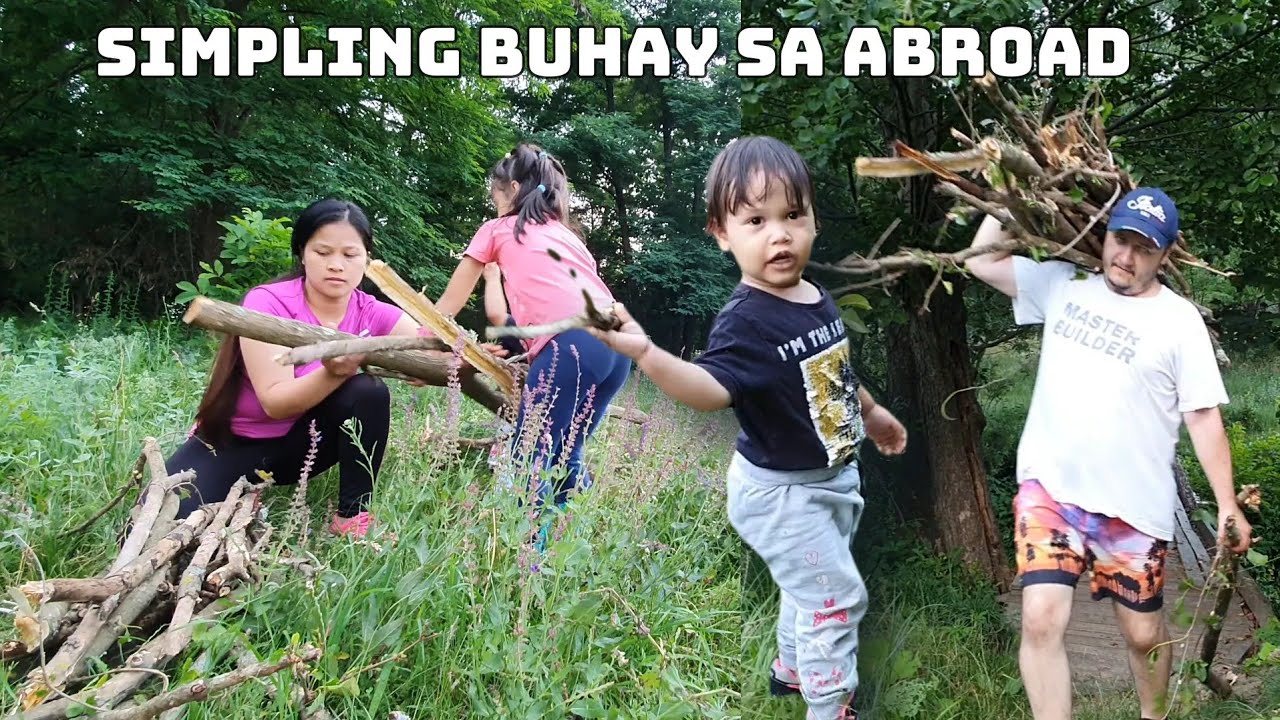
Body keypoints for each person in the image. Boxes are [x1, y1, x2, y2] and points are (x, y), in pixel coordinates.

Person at [589, 136, 908, 720]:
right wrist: (646, 354)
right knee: (836, 599)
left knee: (810, 584)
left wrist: (871, 411)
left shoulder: (815, 297)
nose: (779, 235)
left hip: (831, 479)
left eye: (793, 215)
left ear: (813, 219)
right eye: (756, 221)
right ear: (722, 232)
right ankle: (829, 705)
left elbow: (834, 370)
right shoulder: (745, 320)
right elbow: (709, 390)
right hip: (781, 495)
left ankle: (792, 668)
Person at [963, 187, 1254, 720]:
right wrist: (1005, 193)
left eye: (1144, 248)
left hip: (1133, 505)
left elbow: (1202, 416)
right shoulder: (1064, 284)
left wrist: (1227, 504)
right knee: (1040, 618)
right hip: (1050, 489)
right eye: (1121, 240)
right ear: (1105, 233)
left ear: (1165, 254)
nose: (1127, 256)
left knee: (1142, 634)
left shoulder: (1179, 321)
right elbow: (981, 262)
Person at [165, 198, 427, 537]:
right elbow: (275, 403)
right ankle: (246, 491)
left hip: (301, 447)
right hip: (233, 442)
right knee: (167, 519)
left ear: (367, 259)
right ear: (302, 253)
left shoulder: (371, 310)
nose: (336, 265)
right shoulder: (268, 302)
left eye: (350, 254)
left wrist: (464, 358)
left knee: (369, 392)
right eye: (323, 252)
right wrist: (332, 372)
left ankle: (352, 518)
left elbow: (429, 349)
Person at [434, 143, 631, 513]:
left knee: (530, 458)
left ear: (512, 189)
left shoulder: (497, 229)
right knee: (567, 453)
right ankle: (572, 531)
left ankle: (528, 547)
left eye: (494, 195)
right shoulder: (568, 236)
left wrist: (418, 341)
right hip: (620, 347)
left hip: (574, 343)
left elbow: (448, 305)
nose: (493, 204)